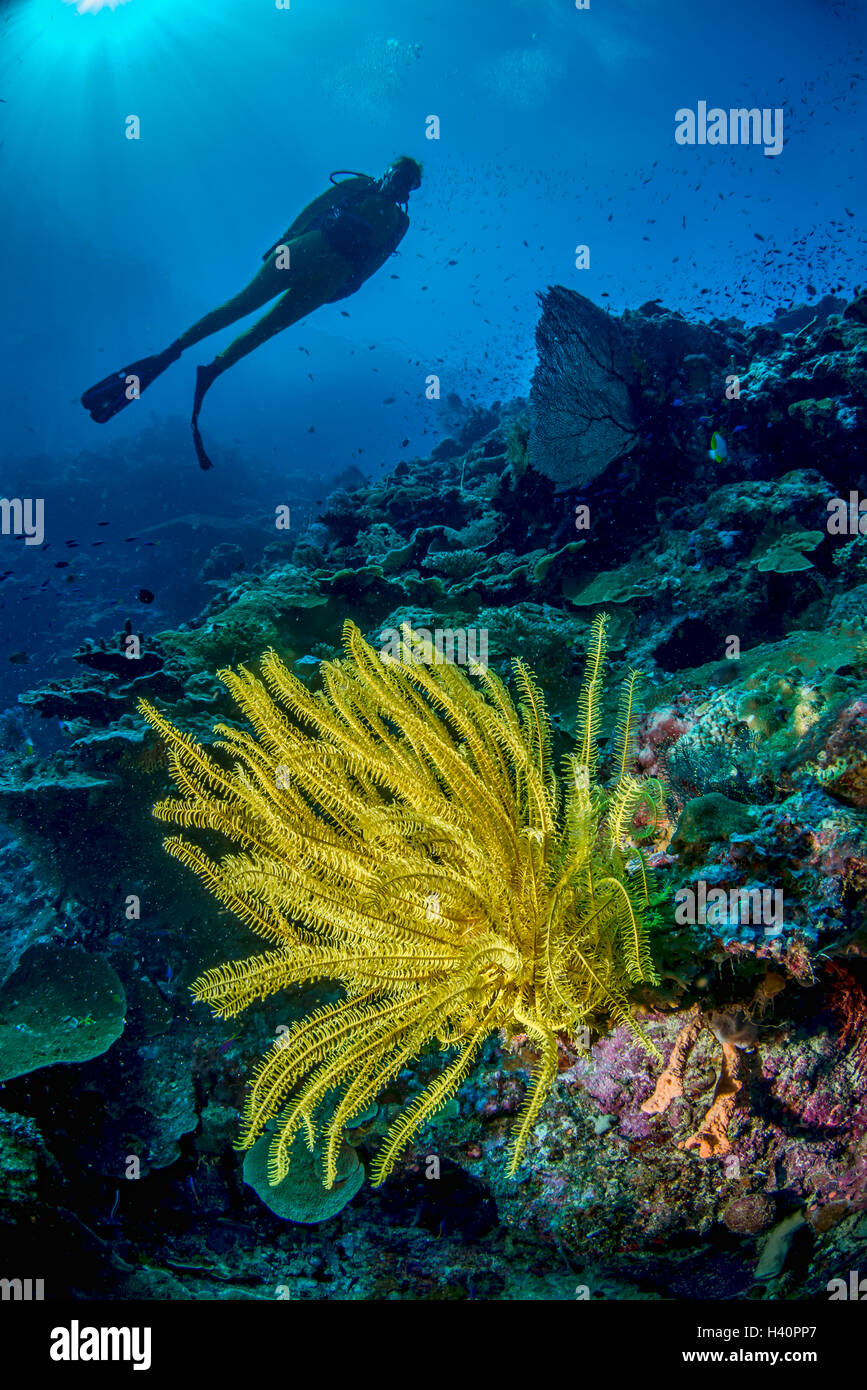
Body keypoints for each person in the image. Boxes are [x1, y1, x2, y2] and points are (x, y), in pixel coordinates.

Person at [81, 156, 422, 469]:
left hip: (320, 266)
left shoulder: (385, 207)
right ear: (391, 172)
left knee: (256, 321)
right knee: (250, 314)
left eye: (408, 182)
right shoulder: (367, 192)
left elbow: (355, 242)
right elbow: (332, 223)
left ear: (408, 187)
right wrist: (299, 254)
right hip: (316, 259)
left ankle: (202, 366)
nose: (400, 183)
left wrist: (329, 276)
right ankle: (184, 360)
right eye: (401, 175)